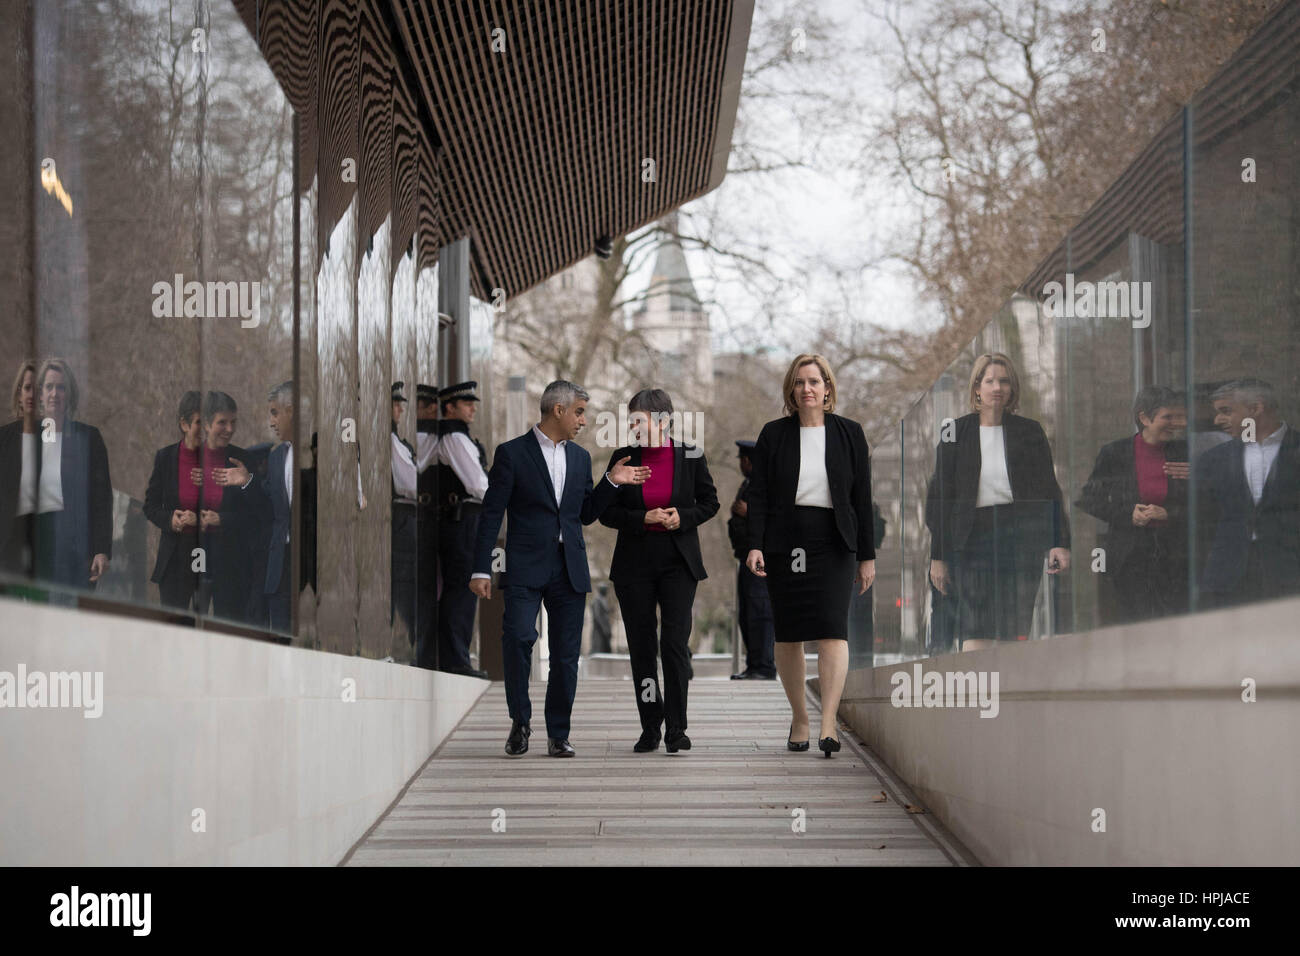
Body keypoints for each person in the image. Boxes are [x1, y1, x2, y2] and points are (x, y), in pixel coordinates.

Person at [469, 379, 649, 757]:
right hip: (523, 567)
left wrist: (611, 483)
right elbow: (490, 515)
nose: (584, 420)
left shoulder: (581, 459)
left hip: (569, 569)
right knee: (518, 638)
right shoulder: (512, 454)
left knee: (566, 656)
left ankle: (558, 734)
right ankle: (520, 721)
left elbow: (584, 514)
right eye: (580, 411)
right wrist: (481, 568)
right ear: (559, 410)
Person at [745, 354, 876, 757]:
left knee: (833, 628)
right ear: (791, 390)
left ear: (828, 388)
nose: (807, 389)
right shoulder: (774, 434)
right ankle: (800, 716)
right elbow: (759, 495)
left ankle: (828, 722)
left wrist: (866, 556)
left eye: (814, 382)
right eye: (800, 382)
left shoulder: (850, 433)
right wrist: (755, 544)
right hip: (786, 541)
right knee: (788, 633)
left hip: (834, 541)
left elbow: (862, 498)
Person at [599, 388, 719, 753]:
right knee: (641, 646)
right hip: (634, 563)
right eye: (630, 419)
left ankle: (676, 729)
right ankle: (650, 726)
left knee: (674, 644)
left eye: (639, 419)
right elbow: (604, 512)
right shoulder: (623, 458)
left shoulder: (691, 454)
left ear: (663, 420)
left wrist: (682, 517)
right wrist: (641, 518)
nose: (633, 426)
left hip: (678, 561)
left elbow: (710, 502)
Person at [925, 352, 1070, 650]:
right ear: (977, 388)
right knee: (975, 625)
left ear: (1012, 388)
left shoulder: (1029, 431)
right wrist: (938, 556)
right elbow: (939, 498)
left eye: (1004, 381)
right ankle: (978, 693)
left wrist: (1059, 541)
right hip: (970, 540)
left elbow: (1049, 490)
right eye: (989, 381)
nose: (997, 387)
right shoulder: (956, 432)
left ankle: (1005, 692)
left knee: (1013, 630)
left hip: (1019, 538)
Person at [1077, 386, 1189, 624]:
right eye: (1168, 417)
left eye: (1179, 416)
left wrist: (1169, 513)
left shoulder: (1184, 453)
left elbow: (1202, 503)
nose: (1177, 423)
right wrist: (1128, 514)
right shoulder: (1115, 454)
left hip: (1175, 559)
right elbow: (1089, 499)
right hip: (1129, 560)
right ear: (1144, 418)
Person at [0, 358, 113, 592]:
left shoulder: (89, 438)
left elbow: (101, 500)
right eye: (49, 387)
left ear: (69, 394)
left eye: (61, 387)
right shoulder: (18, 437)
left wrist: (101, 549)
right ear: (41, 394)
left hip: (71, 550)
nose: (54, 394)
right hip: (20, 548)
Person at [1196, 379, 1299, 607]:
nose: (1217, 420)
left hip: (1291, 578)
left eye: (1226, 411)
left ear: (1256, 408)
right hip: (1227, 580)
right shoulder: (1212, 460)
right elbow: (1202, 521)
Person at [432, 382, 490, 679]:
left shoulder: (460, 436)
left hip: (467, 518)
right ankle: (455, 660)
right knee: (461, 589)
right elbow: (478, 485)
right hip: (462, 519)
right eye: (466, 403)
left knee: (464, 589)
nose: (473, 408)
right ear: (449, 407)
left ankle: (458, 657)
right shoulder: (454, 437)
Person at [195, 390, 262, 623]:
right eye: (222, 422)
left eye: (233, 422)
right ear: (205, 423)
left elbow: (256, 516)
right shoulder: (186, 457)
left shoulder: (243, 461)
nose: (230, 429)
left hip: (232, 563)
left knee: (230, 627)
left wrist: (222, 519)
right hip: (195, 555)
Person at [143, 391, 206, 611]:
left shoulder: (214, 460)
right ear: (184, 424)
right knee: (174, 624)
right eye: (199, 422)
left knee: (200, 623)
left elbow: (224, 507)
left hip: (202, 553)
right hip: (173, 556)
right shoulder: (165, 458)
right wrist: (171, 519)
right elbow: (150, 506)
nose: (205, 428)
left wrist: (199, 519)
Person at [727, 439, 776, 680]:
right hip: (745, 556)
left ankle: (764, 666)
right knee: (747, 613)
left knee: (760, 610)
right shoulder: (748, 484)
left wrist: (750, 513)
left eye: (744, 459)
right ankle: (754, 664)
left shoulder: (766, 484)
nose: (742, 464)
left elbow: (778, 518)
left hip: (760, 558)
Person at [0, 360, 40, 576]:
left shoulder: (54, 441)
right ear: (19, 395)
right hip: (6, 541)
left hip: (41, 543)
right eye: (27, 388)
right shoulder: (3, 439)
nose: (32, 394)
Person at [413, 383, 441, 668]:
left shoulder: (439, 436)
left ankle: (429, 653)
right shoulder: (420, 438)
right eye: (427, 405)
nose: (434, 410)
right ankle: (422, 654)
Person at [390, 382, 420, 645]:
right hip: (402, 521)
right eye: (395, 404)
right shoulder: (389, 441)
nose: (400, 409)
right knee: (405, 589)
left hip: (405, 521)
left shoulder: (396, 440)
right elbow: (411, 483)